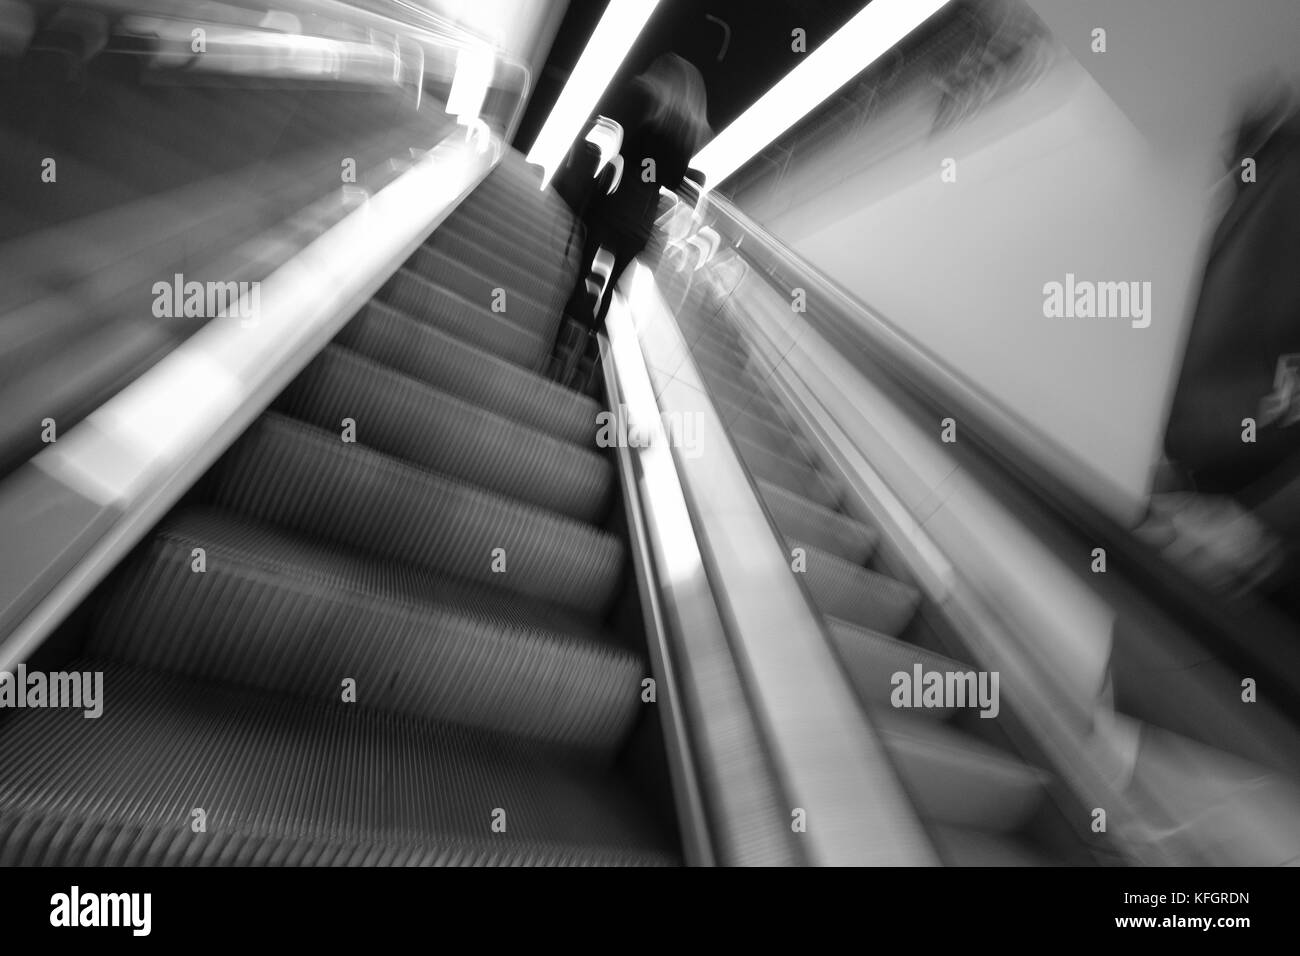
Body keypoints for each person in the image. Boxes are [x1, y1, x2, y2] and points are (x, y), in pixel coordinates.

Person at [579, 54, 712, 328]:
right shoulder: (682, 140)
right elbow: (673, 180)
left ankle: (559, 345)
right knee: (610, 291)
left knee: (582, 277)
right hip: (639, 225)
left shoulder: (646, 116)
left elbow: (623, 154)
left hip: (611, 207)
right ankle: (584, 350)